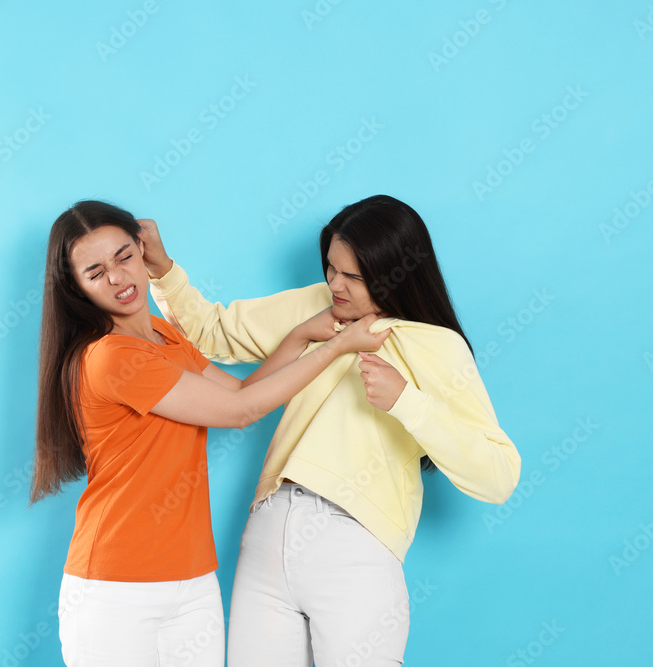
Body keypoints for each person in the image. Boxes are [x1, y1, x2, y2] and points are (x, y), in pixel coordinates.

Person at [140, 194, 522, 666]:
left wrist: (407, 402)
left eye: (353, 277)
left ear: (393, 272)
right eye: (331, 268)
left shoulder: (436, 346)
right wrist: (162, 270)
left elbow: (499, 474)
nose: (335, 285)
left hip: (356, 542)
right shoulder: (321, 308)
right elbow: (212, 332)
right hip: (268, 531)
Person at [27, 200, 389, 667]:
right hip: (115, 588)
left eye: (123, 256)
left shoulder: (163, 336)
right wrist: (339, 345)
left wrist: (301, 336)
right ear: (75, 287)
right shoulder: (110, 357)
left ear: (141, 250)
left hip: (193, 580)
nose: (118, 277)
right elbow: (239, 412)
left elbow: (242, 393)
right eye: (95, 272)